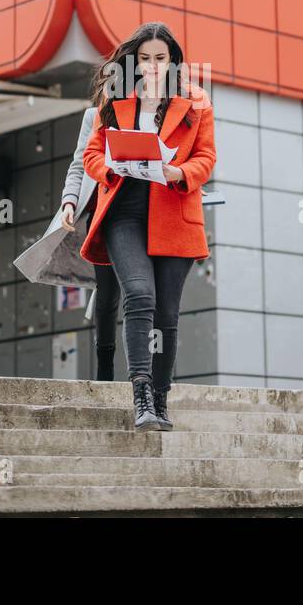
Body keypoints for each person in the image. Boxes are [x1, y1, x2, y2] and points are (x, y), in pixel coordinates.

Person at [79, 22, 215, 432]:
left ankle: (159, 397)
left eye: (161, 58)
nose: (153, 66)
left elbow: (206, 158)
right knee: (138, 294)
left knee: (167, 315)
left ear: (172, 60)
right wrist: (109, 167)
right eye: (145, 59)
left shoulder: (195, 101)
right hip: (124, 208)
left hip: (174, 209)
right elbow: (91, 152)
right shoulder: (116, 96)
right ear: (133, 62)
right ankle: (140, 393)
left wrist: (177, 172)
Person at [58, 104, 121, 380]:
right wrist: (69, 201)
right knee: (107, 294)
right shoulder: (93, 115)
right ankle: (105, 368)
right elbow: (78, 164)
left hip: (140, 213)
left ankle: (142, 377)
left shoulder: (149, 111)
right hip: (100, 212)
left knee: (140, 293)